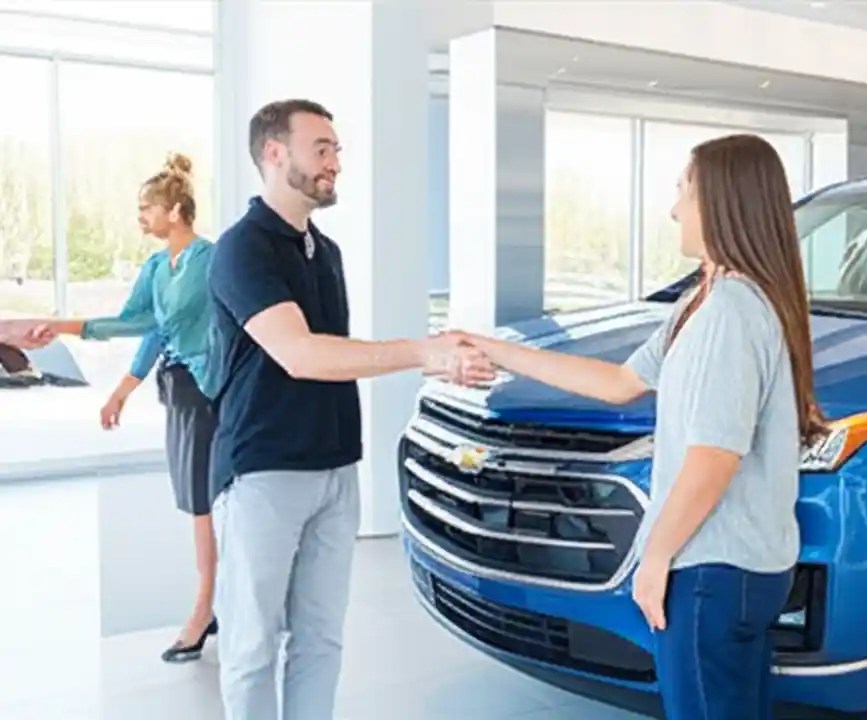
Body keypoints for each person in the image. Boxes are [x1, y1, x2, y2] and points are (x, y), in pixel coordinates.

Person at [460, 134, 824, 720]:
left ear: (722, 203)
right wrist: (500, 352)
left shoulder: (729, 313)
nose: (674, 209)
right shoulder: (706, 301)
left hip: (711, 569)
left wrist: (654, 560)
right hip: (742, 568)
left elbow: (714, 456)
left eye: (684, 191)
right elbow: (621, 382)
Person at [207, 98, 494, 720]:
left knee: (321, 639)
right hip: (263, 472)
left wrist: (435, 355)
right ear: (274, 153)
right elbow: (300, 354)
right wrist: (422, 352)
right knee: (252, 645)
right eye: (322, 149)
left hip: (336, 470)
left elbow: (336, 355)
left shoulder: (325, 251)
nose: (335, 162)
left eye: (336, 149)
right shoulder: (241, 249)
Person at [29, 153, 222, 664]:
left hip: (209, 392)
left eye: (147, 208)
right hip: (177, 389)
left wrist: (69, 327)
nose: (140, 218)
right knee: (196, 500)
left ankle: (204, 608)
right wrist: (120, 389)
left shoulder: (209, 260)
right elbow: (145, 327)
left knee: (203, 501)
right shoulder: (158, 267)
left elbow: (185, 322)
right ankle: (211, 602)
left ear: (175, 211)